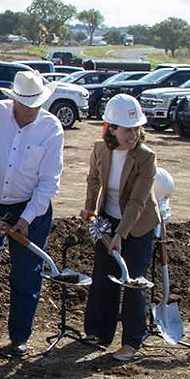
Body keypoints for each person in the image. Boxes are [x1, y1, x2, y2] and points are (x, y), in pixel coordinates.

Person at [0, 70, 64, 356]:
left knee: (27, 273)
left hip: (31, 207)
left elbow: (49, 182)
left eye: (36, 105)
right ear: (14, 100)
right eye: (26, 105)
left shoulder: (51, 128)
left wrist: (26, 219)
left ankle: (19, 336)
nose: (31, 110)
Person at [81, 94, 159, 361]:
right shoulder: (100, 149)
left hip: (138, 227)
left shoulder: (146, 158)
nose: (133, 135)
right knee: (103, 277)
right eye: (127, 129)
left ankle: (132, 341)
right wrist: (89, 208)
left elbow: (137, 201)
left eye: (136, 128)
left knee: (132, 280)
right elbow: (93, 180)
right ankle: (99, 332)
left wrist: (121, 234)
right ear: (112, 128)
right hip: (108, 219)